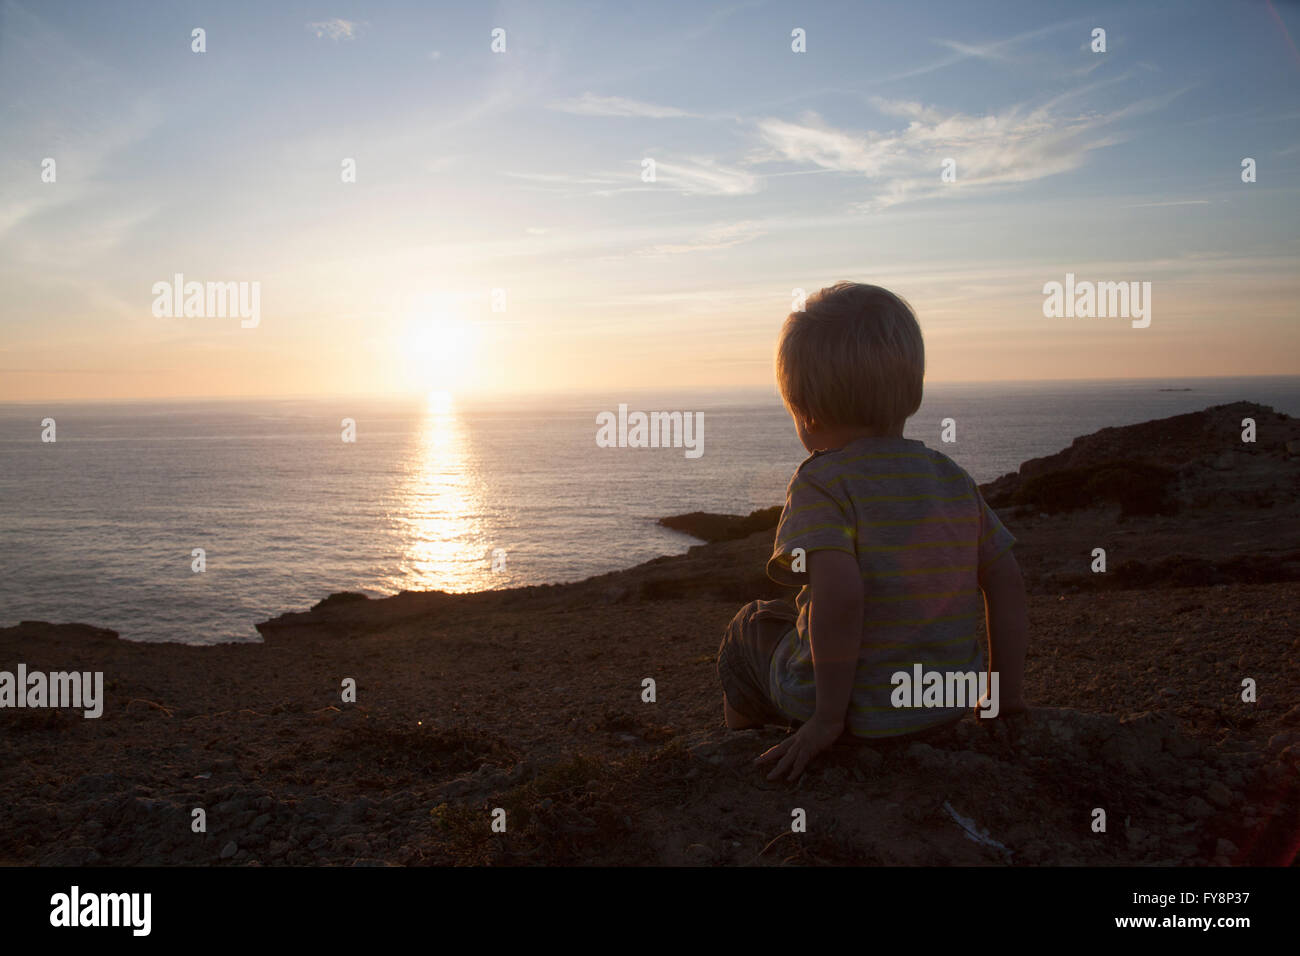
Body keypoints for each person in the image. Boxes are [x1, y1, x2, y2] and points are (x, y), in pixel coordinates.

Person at [715, 282, 1029, 781]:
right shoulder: (949, 476)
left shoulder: (821, 481)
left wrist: (827, 720)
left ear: (805, 409)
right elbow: (1006, 582)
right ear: (911, 389)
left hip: (854, 716)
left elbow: (840, 597)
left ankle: (747, 752)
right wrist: (1002, 700)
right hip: (943, 704)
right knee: (784, 614)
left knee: (748, 627)